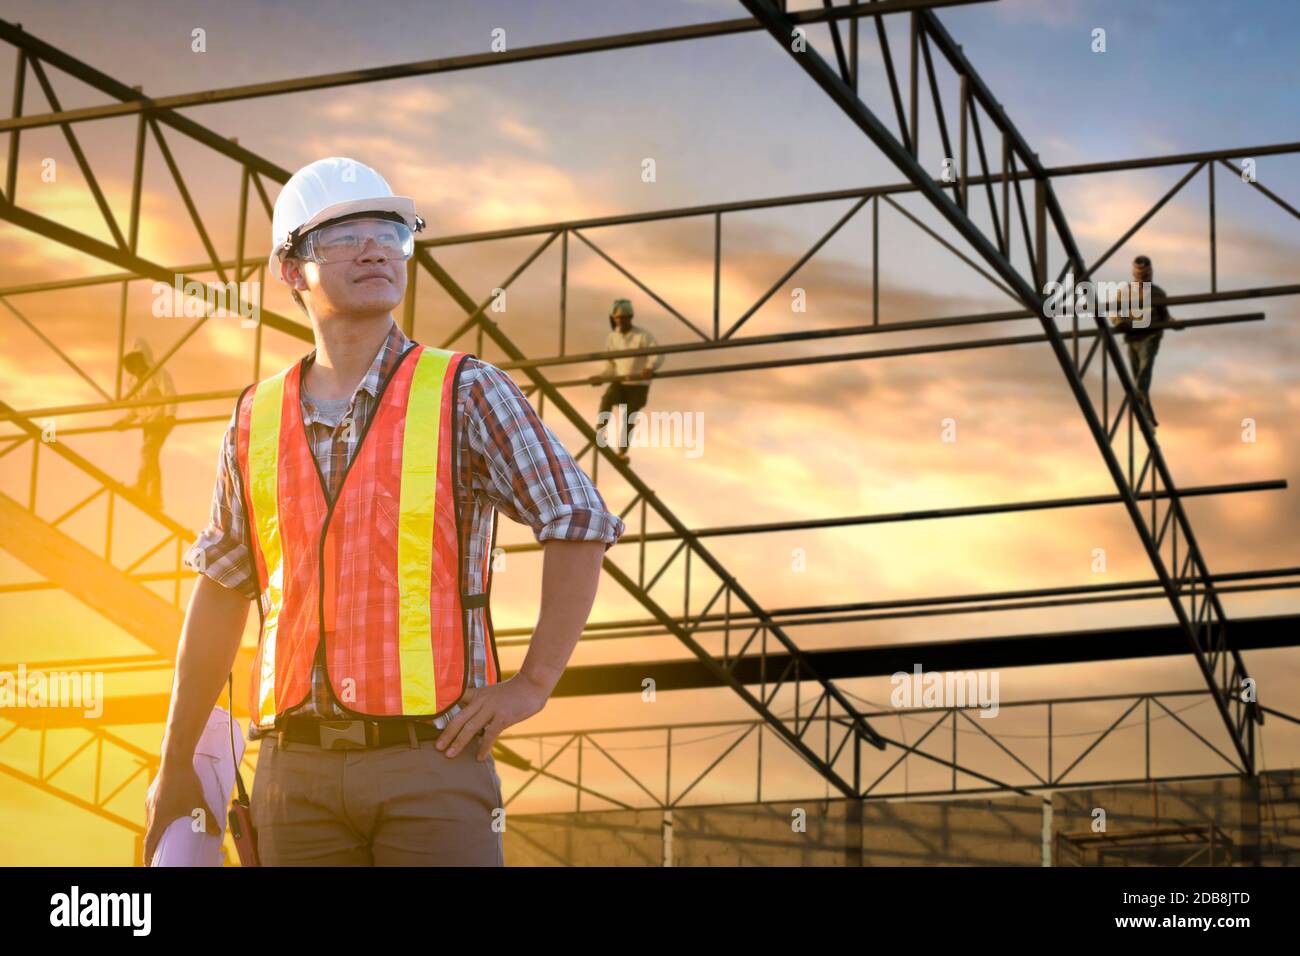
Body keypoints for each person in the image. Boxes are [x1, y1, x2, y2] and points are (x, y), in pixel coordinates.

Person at [143, 157, 625, 867]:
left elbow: (578, 519)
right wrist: (176, 760)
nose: (374, 248)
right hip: (290, 780)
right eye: (343, 235)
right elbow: (221, 591)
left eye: (390, 231)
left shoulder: (465, 390)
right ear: (291, 267)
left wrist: (532, 684)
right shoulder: (253, 419)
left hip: (430, 766)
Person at [590, 298, 663, 461]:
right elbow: (611, 366)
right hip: (621, 382)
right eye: (618, 318)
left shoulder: (642, 336)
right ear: (614, 319)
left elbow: (657, 353)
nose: (621, 321)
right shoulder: (612, 338)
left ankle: (622, 452)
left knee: (629, 416)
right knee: (607, 399)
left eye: (624, 318)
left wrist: (650, 367)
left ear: (630, 318)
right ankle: (600, 434)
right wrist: (601, 378)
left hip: (638, 385)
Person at [112, 336, 177, 508]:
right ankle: (155, 497)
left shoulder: (158, 374)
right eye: (131, 363)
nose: (135, 366)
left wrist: (170, 415)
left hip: (161, 420)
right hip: (147, 423)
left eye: (137, 361)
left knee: (147, 451)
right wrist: (124, 421)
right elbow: (135, 408)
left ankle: (141, 487)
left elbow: (170, 394)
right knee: (151, 456)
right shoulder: (132, 382)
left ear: (144, 359)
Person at [1112, 255, 1173, 428]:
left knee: (1143, 374)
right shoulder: (1125, 293)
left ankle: (1142, 409)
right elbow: (1115, 311)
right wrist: (1119, 322)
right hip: (1132, 338)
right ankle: (1147, 417)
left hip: (1150, 336)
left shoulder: (1158, 293)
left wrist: (1173, 323)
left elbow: (1165, 316)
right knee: (1139, 377)